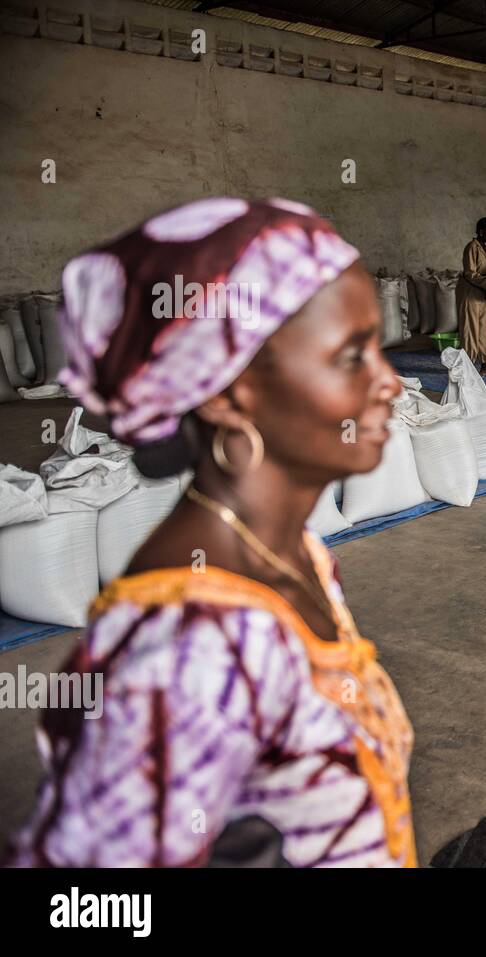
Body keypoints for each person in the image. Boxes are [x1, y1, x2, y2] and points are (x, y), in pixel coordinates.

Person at [5, 197, 416, 867]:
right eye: (351, 356)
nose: (391, 382)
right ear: (227, 394)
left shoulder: (295, 551)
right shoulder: (194, 640)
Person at [457, 216, 486, 374]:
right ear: (481, 232)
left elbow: (484, 271)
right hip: (469, 294)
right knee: (470, 330)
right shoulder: (472, 247)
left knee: (484, 328)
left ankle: (485, 363)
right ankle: (468, 366)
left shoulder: (484, 248)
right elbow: (470, 274)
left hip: (482, 293)